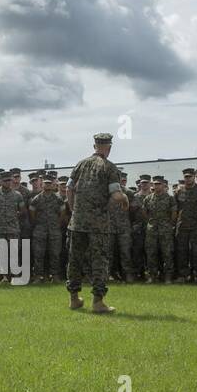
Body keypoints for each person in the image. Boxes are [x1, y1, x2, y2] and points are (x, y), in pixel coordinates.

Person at [66, 133, 126, 313]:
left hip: (77, 222)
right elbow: (116, 195)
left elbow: (69, 189)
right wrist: (125, 199)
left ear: (94, 146)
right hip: (98, 225)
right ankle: (98, 302)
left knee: (74, 260)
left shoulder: (80, 164)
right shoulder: (109, 167)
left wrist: (74, 210)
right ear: (109, 147)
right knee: (99, 261)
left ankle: (74, 299)